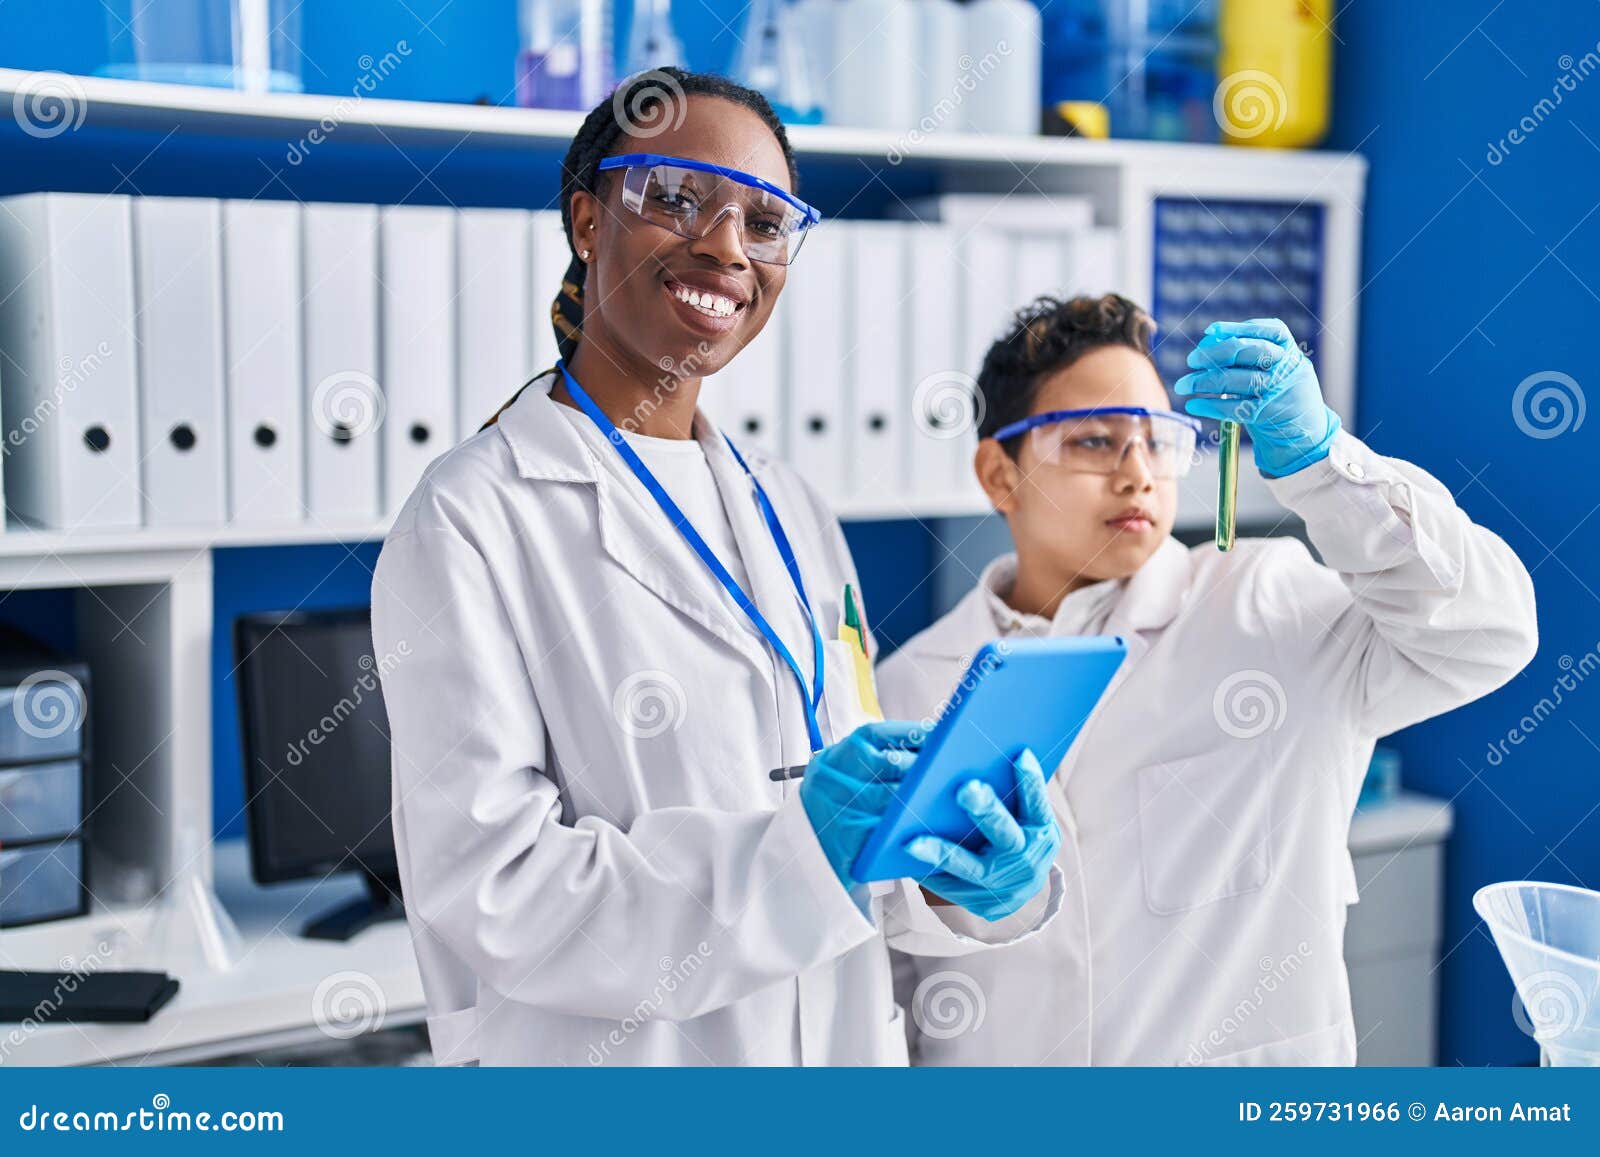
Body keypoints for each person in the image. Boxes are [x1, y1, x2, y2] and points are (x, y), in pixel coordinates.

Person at [368, 68, 1060, 1068]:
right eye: (676, 198)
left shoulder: (791, 506)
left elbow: (850, 828)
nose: (727, 248)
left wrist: (947, 867)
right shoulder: (472, 515)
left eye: (764, 220)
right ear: (586, 220)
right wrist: (790, 853)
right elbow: (495, 886)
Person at [878, 293, 1538, 1065]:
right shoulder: (908, 689)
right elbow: (886, 980)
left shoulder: (1266, 604)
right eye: (1095, 440)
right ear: (1000, 472)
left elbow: (1490, 633)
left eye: (1159, 441)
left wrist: (1325, 463)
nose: (1138, 474)